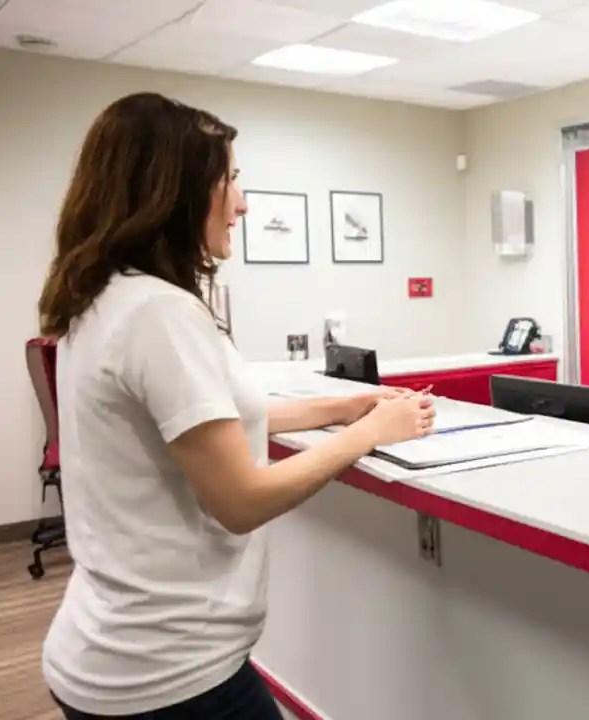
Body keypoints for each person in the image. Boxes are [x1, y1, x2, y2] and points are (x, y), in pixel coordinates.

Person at [37, 92, 436, 719]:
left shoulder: (103, 298)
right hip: (168, 679)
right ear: (172, 192)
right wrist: (372, 434)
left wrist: (339, 410)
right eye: (230, 180)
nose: (243, 204)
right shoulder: (160, 313)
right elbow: (241, 500)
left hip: (112, 657)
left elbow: (201, 420)